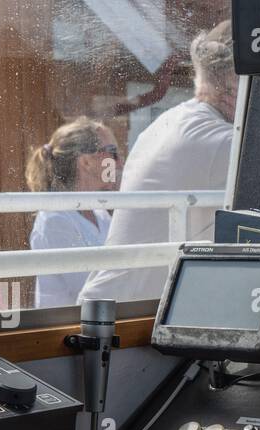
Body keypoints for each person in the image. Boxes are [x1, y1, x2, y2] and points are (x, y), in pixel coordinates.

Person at [77, 20, 237, 304]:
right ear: (233, 83)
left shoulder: (174, 121)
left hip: (118, 310)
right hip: (128, 323)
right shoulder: (216, 140)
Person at [25, 118, 120, 308]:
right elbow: (90, 290)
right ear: (86, 162)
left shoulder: (100, 213)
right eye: (113, 153)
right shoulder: (54, 219)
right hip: (66, 333)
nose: (120, 162)